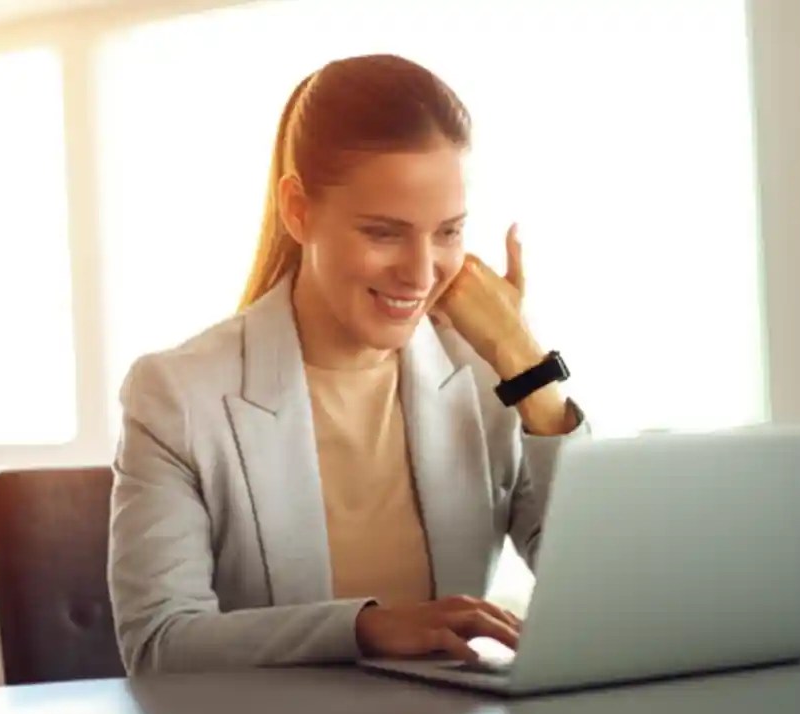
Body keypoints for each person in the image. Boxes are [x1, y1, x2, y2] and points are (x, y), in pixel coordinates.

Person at [108, 53, 589, 675]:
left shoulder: (486, 372)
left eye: (447, 233)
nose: (421, 274)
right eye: (384, 233)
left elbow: (603, 592)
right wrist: (366, 628)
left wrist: (526, 363)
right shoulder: (177, 394)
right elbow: (159, 645)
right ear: (299, 210)